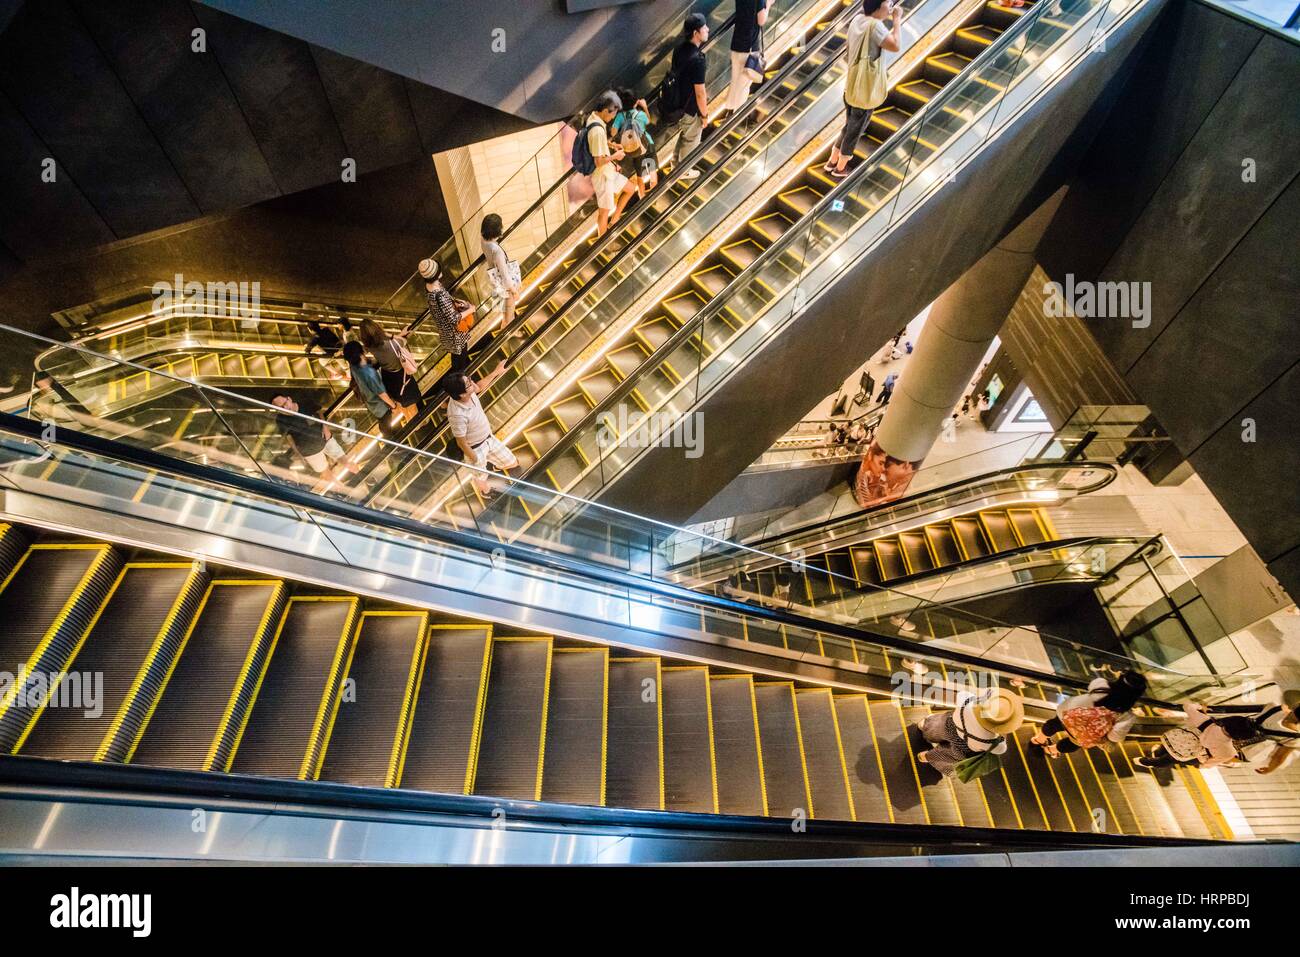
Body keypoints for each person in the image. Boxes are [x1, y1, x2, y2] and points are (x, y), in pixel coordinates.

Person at [825, 0, 901, 179]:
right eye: (887, 4)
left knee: (848, 124)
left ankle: (832, 160)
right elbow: (895, 45)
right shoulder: (875, 26)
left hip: (851, 85)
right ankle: (840, 168)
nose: (889, 7)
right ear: (877, 7)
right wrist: (896, 20)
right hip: (865, 90)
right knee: (855, 129)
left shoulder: (857, 19)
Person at [1030, 671, 1146, 757]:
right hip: (1084, 732)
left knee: (1054, 724)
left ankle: (1038, 740)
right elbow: (1114, 737)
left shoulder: (1102, 685)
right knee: (1073, 743)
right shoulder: (1126, 715)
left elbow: (1093, 683)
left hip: (1068, 713)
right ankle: (1051, 750)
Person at [917, 687, 1025, 779]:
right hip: (964, 748)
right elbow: (1001, 749)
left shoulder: (967, 703)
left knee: (936, 728)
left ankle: (924, 726)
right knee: (947, 755)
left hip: (950, 725)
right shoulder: (994, 742)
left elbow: (962, 694)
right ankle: (926, 757)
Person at [444, 364, 517, 497]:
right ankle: (485, 491)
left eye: (469, 379)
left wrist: (496, 372)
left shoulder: (469, 393)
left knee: (512, 462)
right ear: (462, 394)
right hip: (475, 449)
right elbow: (462, 443)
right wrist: (475, 459)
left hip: (489, 438)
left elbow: (479, 386)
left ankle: (493, 465)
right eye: (468, 383)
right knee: (480, 476)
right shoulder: (457, 415)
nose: (471, 382)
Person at [417, 258, 492, 372]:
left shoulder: (430, 287)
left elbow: (444, 308)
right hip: (454, 335)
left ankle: (461, 376)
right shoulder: (439, 295)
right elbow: (454, 318)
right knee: (459, 360)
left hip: (447, 332)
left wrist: (455, 304)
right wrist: (471, 310)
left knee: (459, 357)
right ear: (436, 274)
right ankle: (460, 380)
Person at [1134, 702, 1254, 770]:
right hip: (1185, 753)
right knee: (1168, 760)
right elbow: (1208, 764)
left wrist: (1200, 707)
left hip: (1173, 739)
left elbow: (1187, 706)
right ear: (1240, 737)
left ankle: (1157, 752)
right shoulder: (1228, 751)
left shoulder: (1206, 720)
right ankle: (1148, 762)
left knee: (1165, 748)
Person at [584, 91, 638, 235]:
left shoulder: (594, 119)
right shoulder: (597, 130)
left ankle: (615, 220)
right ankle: (602, 243)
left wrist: (612, 145)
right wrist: (615, 157)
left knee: (630, 189)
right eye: (613, 114)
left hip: (608, 172)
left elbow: (597, 145)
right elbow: (598, 161)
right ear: (606, 110)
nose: (613, 117)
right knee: (603, 213)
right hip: (602, 176)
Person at [270, 392, 355, 483]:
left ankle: (363, 477)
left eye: (284, 404)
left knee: (346, 461)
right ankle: (346, 492)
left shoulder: (305, 403)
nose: (285, 408)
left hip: (324, 438)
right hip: (308, 450)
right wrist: (298, 454)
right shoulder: (280, 419)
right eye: (280, 408)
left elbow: (319, 412)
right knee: (326, 474)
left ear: (289, 399)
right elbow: (289, 437)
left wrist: (325, 428)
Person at [665, 13, 711, 180]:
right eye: (704, 27)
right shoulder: (698, 60)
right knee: (692, 136)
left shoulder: (679, 49)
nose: (708, 29)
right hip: (689, 107)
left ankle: (676, 164)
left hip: (677, 103)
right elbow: (700, 93)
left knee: (685, 134)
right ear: (695, 33)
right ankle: (684, 170)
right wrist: (705, 115)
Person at [357, 317, 422, 421]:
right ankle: (416, 426)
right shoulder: (393, 343)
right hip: (401, 378)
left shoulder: (369, 347)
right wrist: (388, 334)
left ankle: (408, 419)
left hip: (388, 378)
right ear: (378, 329)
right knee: (411, 405)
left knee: (401, 403)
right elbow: (403, 341)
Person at [719, 0, 770, 124]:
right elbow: (761, 20)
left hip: (736, 44)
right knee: (743, 87)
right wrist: (768, 5)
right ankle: (735, 121)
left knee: (736, 82)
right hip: (749, 48)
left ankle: (729, 112)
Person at [343, 341, 403, 438]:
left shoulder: (353, 366)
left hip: (371, 404)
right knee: (387, 425)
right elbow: (381, 394)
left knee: (384, 424)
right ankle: (395, 443)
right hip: (381, 407)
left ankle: (392, 438)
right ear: (360, 352)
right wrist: (394, 406)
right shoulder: (369, 373)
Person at [612, 88, 659, 196]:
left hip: (634, 149)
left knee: (640, 175)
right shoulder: (640, 114)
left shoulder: (620, 116)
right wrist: (644, 106)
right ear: (635, 102)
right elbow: (648, 121)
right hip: (647, 144)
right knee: (652, 170)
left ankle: (642, 197)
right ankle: (654, 194)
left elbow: (613, 132)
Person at [480, 213, 521, 331]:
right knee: (509, 310)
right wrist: (514, 291)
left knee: (505, 309)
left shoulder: (482, 238)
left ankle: (506, 323)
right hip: (504, 282)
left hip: (495, 277)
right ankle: (510, 329)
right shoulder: (497, 251)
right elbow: (505, 275)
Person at [1252, 694, 1300, 775]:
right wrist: (1270, 769)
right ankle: (1227, 760)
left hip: (1234, 728)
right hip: (1248, 748)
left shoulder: (1274, 706)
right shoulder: (1295, 736)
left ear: (1296, 705)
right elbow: (1279, 756)